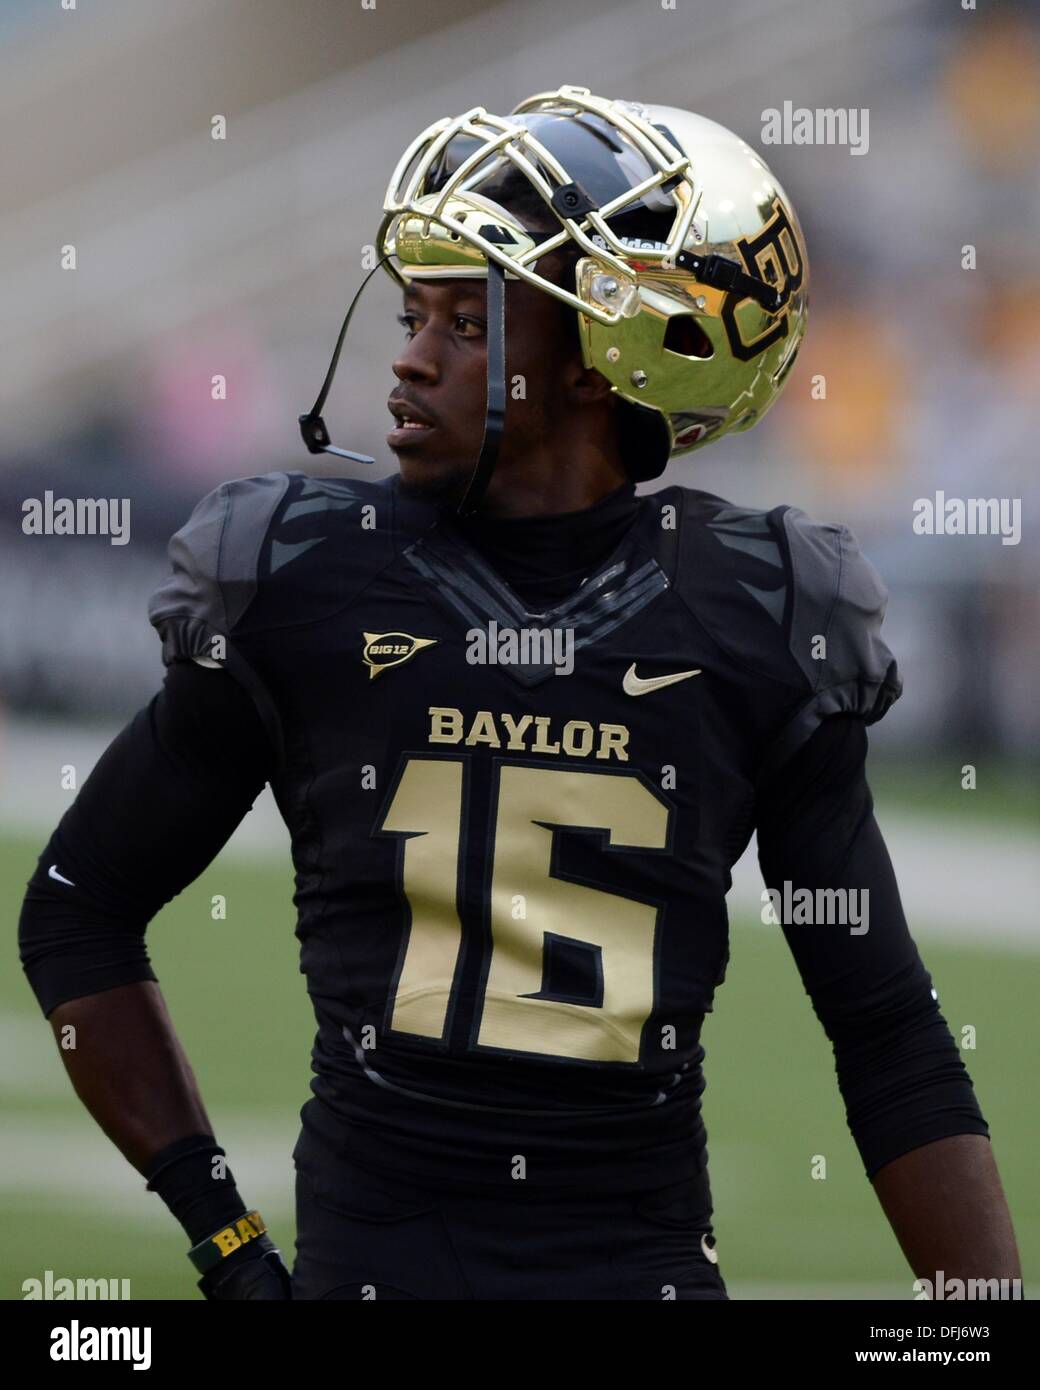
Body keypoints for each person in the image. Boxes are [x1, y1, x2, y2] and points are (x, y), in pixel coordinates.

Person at [19, 86, 1019, 1300]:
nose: (410, 356)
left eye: (467, 321)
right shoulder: (302, 578)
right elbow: (79, 905)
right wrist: (224, 1240)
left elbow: (885, 1028)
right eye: (412, 314)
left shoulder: (757, 614)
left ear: (605, 356)